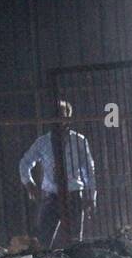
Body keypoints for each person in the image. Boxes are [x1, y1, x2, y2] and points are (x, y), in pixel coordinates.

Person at [18, 100, 97, 248]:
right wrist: (29, 184)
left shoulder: (79, 141)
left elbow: (89, 170)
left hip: (73, 195)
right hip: (51, 196)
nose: (59, 119)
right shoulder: (43, 142)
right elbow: (25, 162)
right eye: (55, 115)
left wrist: (91, 196)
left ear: (68, 117)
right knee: (43, 240)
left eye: (62, 115)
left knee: (74, 240)